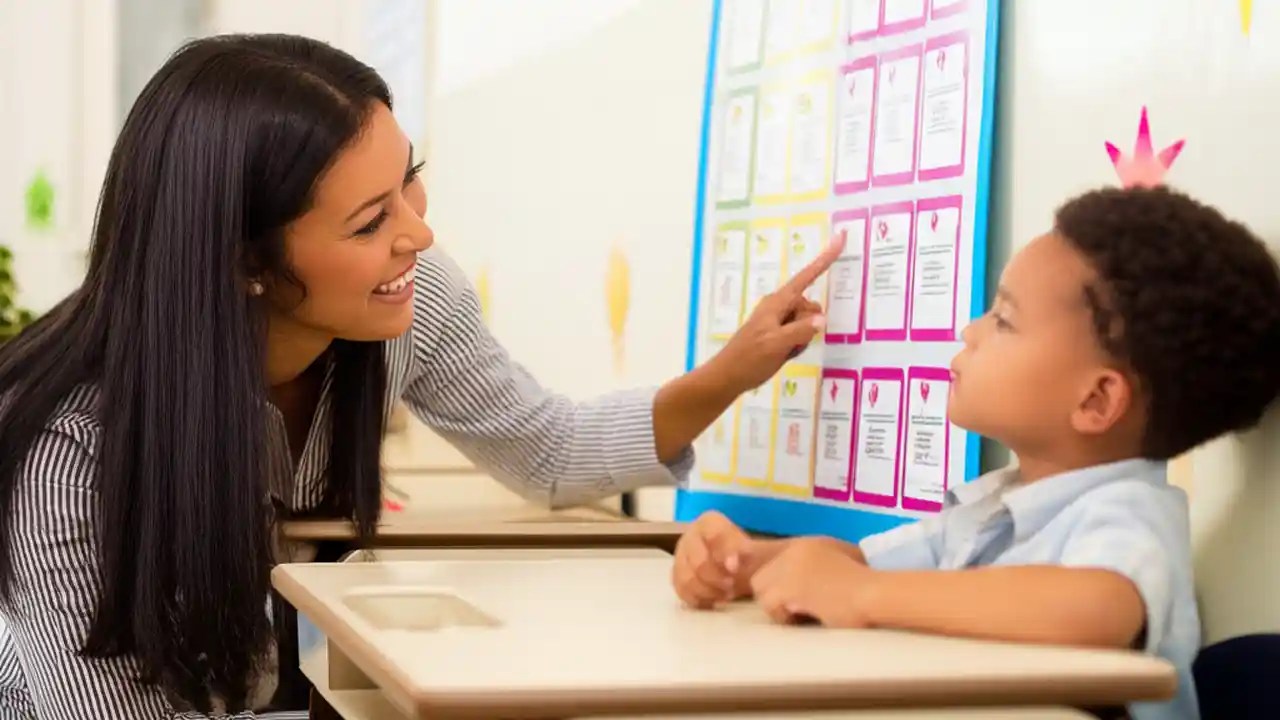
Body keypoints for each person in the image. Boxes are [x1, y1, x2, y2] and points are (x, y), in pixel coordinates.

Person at [0, 34, 842, 717]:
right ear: (244, 263)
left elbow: (549, 450)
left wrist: (733, 371)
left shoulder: (408, 302)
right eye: (372, 221)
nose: (418, 237)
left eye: (411, 183)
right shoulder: (67, 456)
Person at [672, 186, 1280, 720]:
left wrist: (861, 598)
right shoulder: (996, 505)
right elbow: (862, 561)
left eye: (1004, 319)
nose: (970, 330)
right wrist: (752, 562)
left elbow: (1100, 607)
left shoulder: (1128, 510)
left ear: (1096, 401)